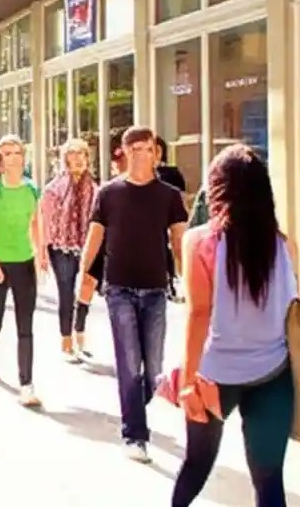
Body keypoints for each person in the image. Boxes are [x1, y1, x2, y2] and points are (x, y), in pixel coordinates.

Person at [169, 145, 300, 506]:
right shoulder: (283, 245)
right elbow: (295, 313)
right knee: (269, 480)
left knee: (196, 466)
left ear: (217, 189)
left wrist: (189, 380)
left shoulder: (200, 241)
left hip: (214, 375)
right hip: (273, 375)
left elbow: (198, 315)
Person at [79, 126, 188, 463]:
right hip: (119, 288)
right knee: (129, 364)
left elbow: (180, 242)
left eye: (148, 147)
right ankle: (135, 434)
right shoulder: (109, 193)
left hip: (155, 288)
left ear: (156, 152)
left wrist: (188, 282)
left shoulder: (169, 196)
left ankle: (132, 406)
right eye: (135, 148)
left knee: (152, 367)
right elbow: (94, 237)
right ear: (124, 152)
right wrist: (82, 277)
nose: (142, 153)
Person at [0, 135, 44, 407]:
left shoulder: (31, 188)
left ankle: (26, 384)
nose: (12, 158)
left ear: (23, 156)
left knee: (25, 324)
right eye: (6, 153)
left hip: (24, 261)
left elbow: (36, 223)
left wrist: (41, 254)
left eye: (16, 152)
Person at [40, 139, 97, 363]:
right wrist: (43, 253)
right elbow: (45, 222)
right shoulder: (53, 189)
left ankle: (80, 334)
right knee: (66, 292)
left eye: (81, 156)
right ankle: (66, 341)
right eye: (73, 157)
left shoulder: (95, 189)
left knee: (86, 289)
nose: (78, 161)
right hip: (61, 246)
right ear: (65, 160)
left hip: (87, 244)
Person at [156, 136, 189, 302]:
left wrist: (183, 218)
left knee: (174, 246)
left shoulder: (172, 173)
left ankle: (174, 281)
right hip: (153, 221)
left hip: (171, 217)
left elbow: (181, 198)